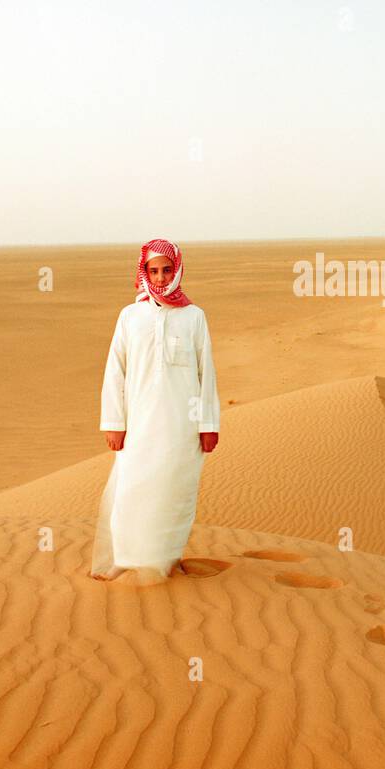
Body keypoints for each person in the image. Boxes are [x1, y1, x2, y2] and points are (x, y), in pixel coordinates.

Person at [90, 239, 220, 584]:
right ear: (143, 272)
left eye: (166, 270)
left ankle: (167, 559)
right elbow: (115, 370)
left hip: (182, 423)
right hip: (139, 421)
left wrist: (208, 423)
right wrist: (114, 422)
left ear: (177, 270)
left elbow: (205, 372)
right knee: (132, 487)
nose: (160, 278)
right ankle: (124, 558)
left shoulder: (194, 317)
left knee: (173, 491)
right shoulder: (130, 316)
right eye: (153, 270)